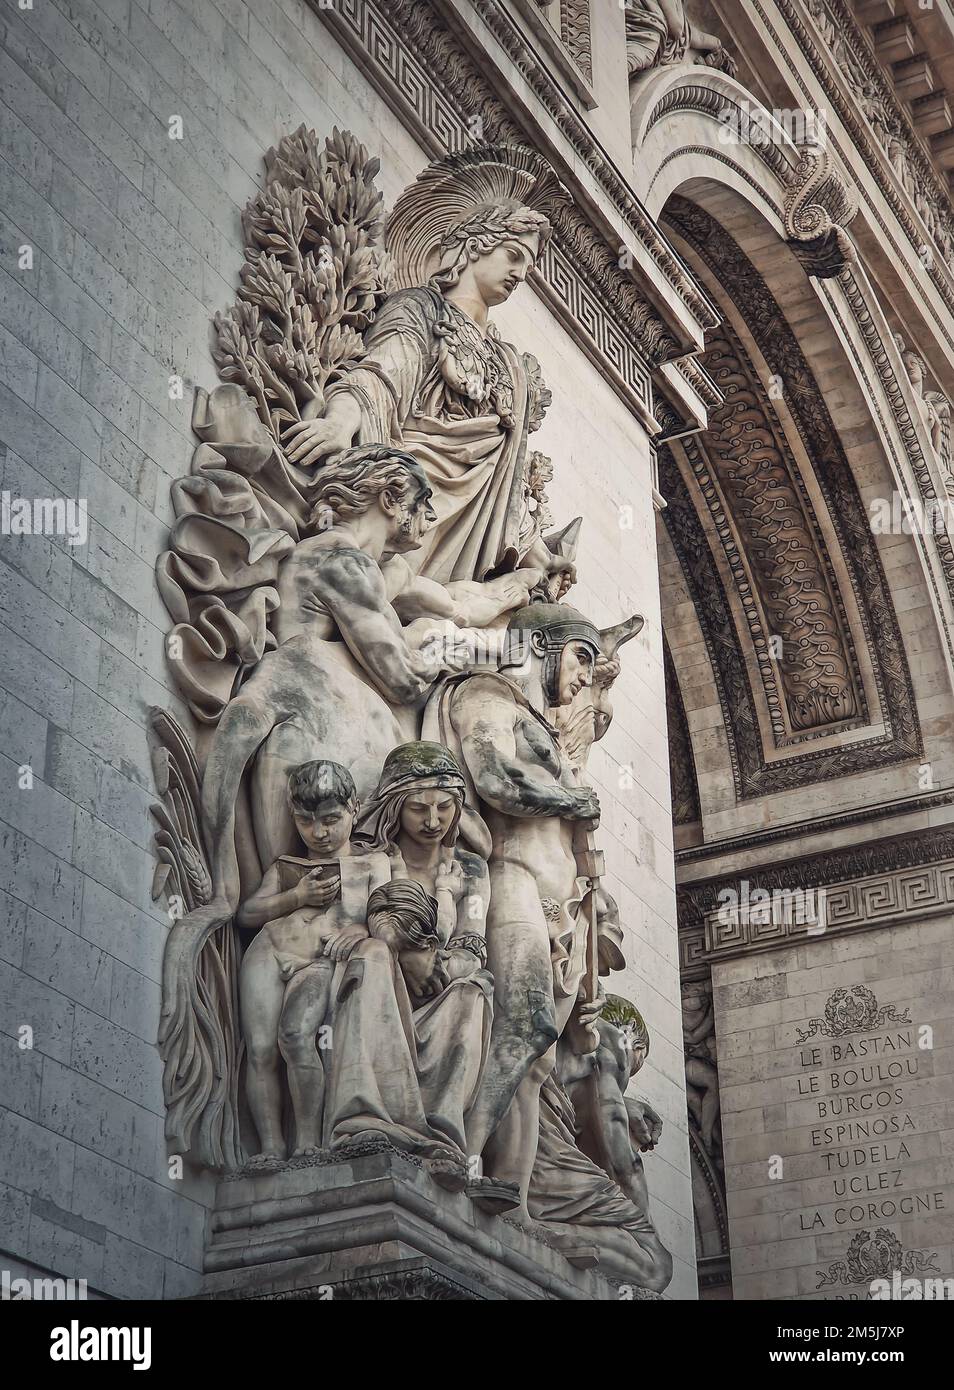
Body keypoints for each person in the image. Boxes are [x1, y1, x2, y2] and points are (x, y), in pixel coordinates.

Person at [236, 761, 390, 1160]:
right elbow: (248, 914)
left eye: (330, 820)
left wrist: (362, 931)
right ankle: (270, 1147)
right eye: (305, 821)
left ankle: (308, 1141)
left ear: (354, 808)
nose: (318, 833)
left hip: (319, 961)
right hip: (268, 952)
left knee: (296, 1035)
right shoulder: (287, 867)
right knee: (260, 1049)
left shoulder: (374, 865)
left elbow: (391, 917)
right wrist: (296, 897)